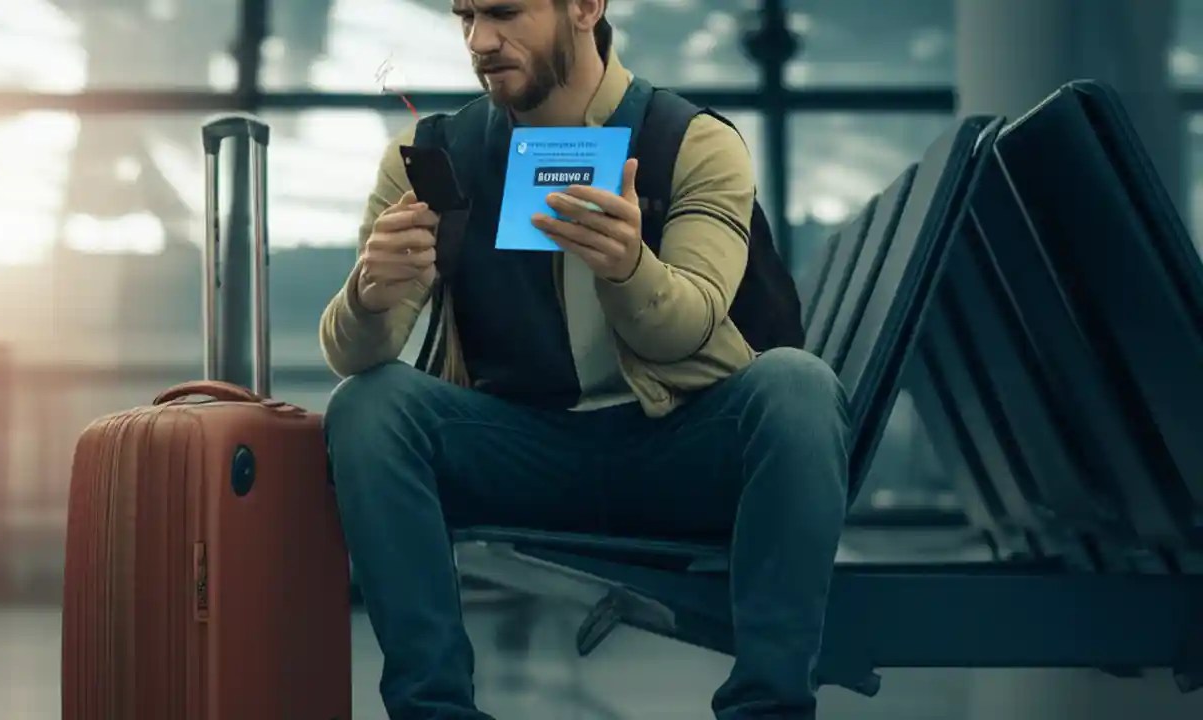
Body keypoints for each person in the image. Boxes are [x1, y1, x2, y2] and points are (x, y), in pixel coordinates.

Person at [318, 1, 849, 718]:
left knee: (797, 385)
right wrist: (372, 290)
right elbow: (358, 356)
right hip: (520, 449)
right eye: (466, 16)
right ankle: (433, 709)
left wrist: (630, 269)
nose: (480, 41)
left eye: (504, 12)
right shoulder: (435, 156)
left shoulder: (692, 143)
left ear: (585, 7)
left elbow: (689, 324)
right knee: (370, 405)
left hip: (677, 444)